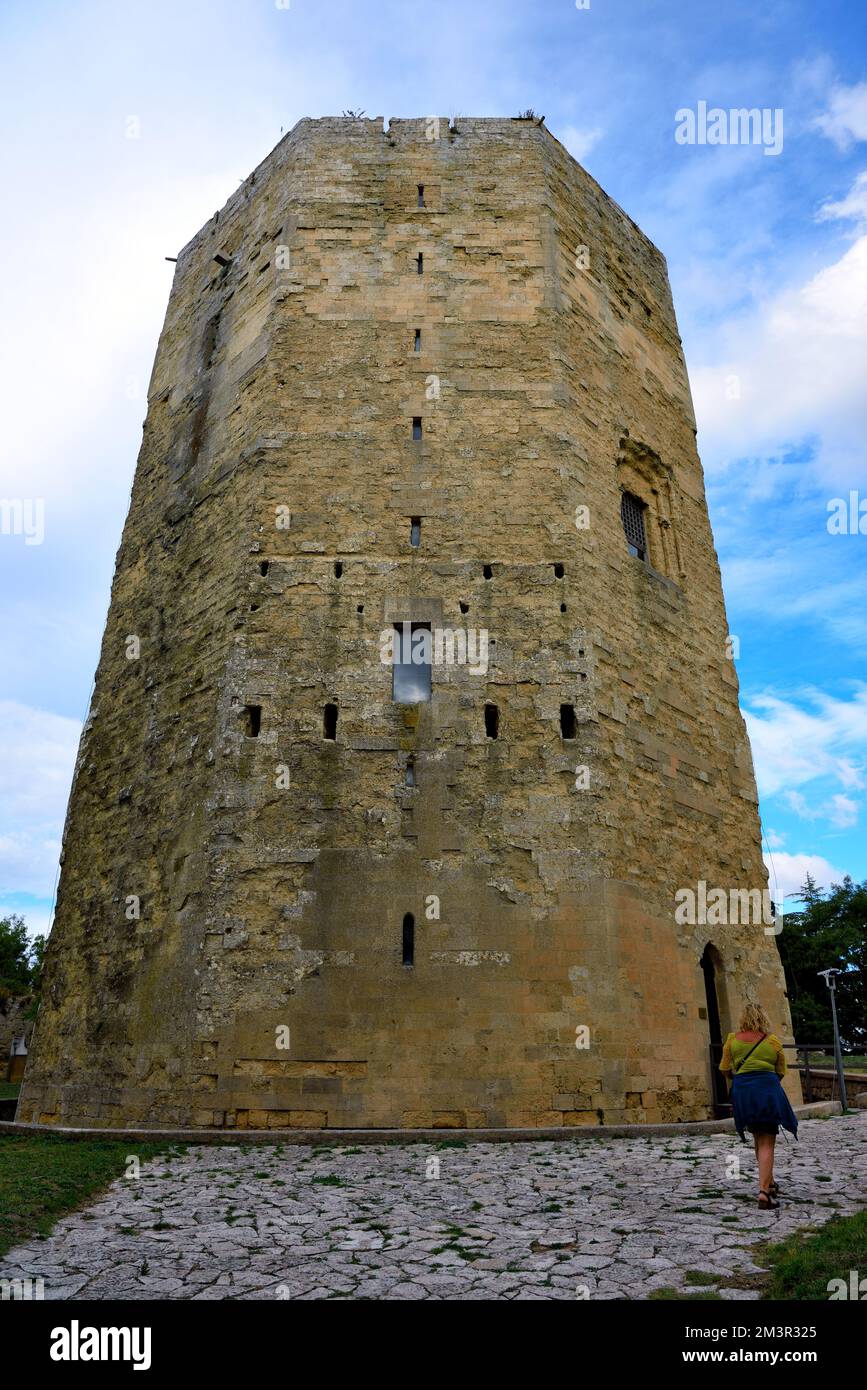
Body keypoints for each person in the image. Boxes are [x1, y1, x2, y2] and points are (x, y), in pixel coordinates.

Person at [719, 1002, 798, 1209]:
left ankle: (769, 1182)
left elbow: (724, 1068)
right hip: (766, 1090)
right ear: (763, 1018)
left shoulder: (732, 1041)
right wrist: (766, 1081)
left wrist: (738, 1077)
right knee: (767, 1141)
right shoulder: (772, 1041)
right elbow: (781, 1070)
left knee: (757, 1136)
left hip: (744, 1093)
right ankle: (764, 1192)